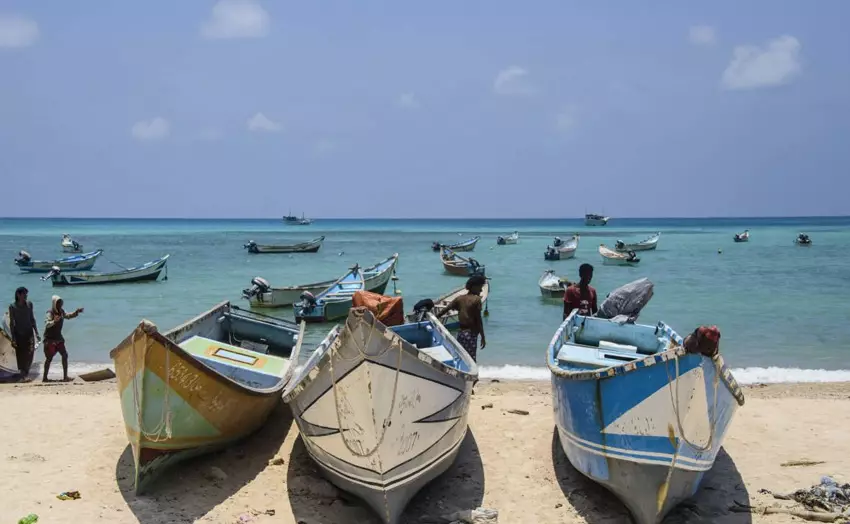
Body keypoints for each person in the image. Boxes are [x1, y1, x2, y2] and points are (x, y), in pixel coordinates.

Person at [437, 275, 486, 361]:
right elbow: (478, 320)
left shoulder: (459, 299)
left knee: (462, 358)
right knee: (471, 359)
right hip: (471, 334)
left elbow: (444, 310)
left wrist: (435, 318)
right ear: (474, 287)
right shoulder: (477, 300)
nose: (481, 290)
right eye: (480, 287)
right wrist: (483, 336)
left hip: (461, 334)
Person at [42, 295, 83, 382]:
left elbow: (67, 316)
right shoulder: (50, 313)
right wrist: (54, 321)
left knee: (64, 355)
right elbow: (47, 324)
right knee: (49, 358)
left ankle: (65, 377)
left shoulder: (61, 311)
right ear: (54, 303)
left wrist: (76, 312)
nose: (60, 305)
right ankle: (45, 378)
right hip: (50, 339)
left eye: (61, 303)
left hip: (58, 338)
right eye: (58, 303)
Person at [7, 287, 41, 381]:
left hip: (29, 333)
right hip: (19, 334)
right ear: (18, 294)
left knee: (30, 353)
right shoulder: (12, 306)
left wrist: (37, 333)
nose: (26, 296)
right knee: (20, 355)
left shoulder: (29, 304)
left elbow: (32, 319)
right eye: (24, 294)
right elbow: (11, 323)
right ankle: (23, 375)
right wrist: (13, 338)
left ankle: (25, 373)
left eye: (26, 294)